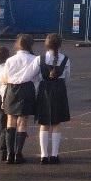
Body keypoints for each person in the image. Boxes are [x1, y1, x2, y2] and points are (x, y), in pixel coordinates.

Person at [1, 32, 40, 164]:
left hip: (12, 89)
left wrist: (3, 98)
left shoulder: (10, 60)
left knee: (10, 121)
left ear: (17, 44)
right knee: (22, 122)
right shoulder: (35, 59)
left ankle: (9, 154)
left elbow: (5, 80)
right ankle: (18, 153)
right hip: (27, 89)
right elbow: (37, 79)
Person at [36, 33, 71, 164]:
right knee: (56, 123)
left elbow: (35, 75)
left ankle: (44, 156)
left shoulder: (40, 58)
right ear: (60, 45)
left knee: (44, 124)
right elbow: (67, 77)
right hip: (59, 89)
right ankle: (55, 155)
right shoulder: (65, 59)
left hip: (44, 89)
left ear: (46, 44)